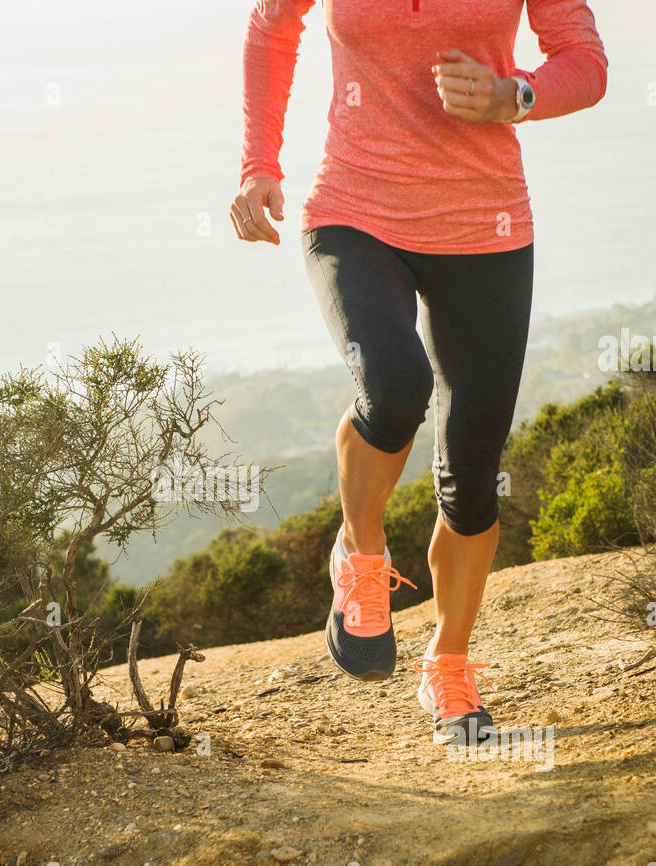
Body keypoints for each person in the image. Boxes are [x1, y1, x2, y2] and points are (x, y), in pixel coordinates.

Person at [231, 0, 606, 744]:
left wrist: (515, 95)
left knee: (470, 469)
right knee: (395, 385)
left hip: (486, 223)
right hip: (354, 209)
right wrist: (259, 165)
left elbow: (585, 60)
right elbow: (271, 25)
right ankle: (361, 554)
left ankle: (450, 664)